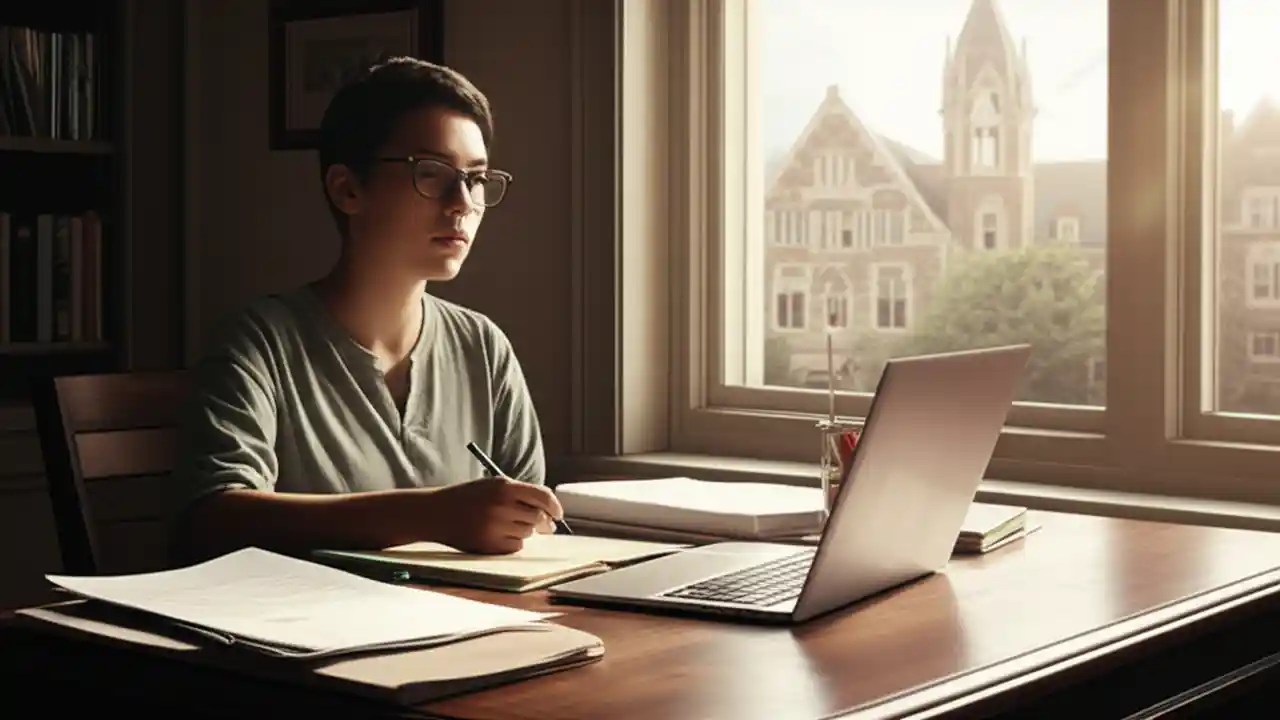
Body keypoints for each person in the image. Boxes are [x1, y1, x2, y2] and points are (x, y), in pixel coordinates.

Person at [170, 57, 563, 564]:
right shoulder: (260, 343)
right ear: (347, 189)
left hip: (462, 613)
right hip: (306, 612)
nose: (463, 201)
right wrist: (430, 516)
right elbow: (212, 521)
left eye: (477, 178)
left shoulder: (483, 349)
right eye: (431, 173)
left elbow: (530, 526)